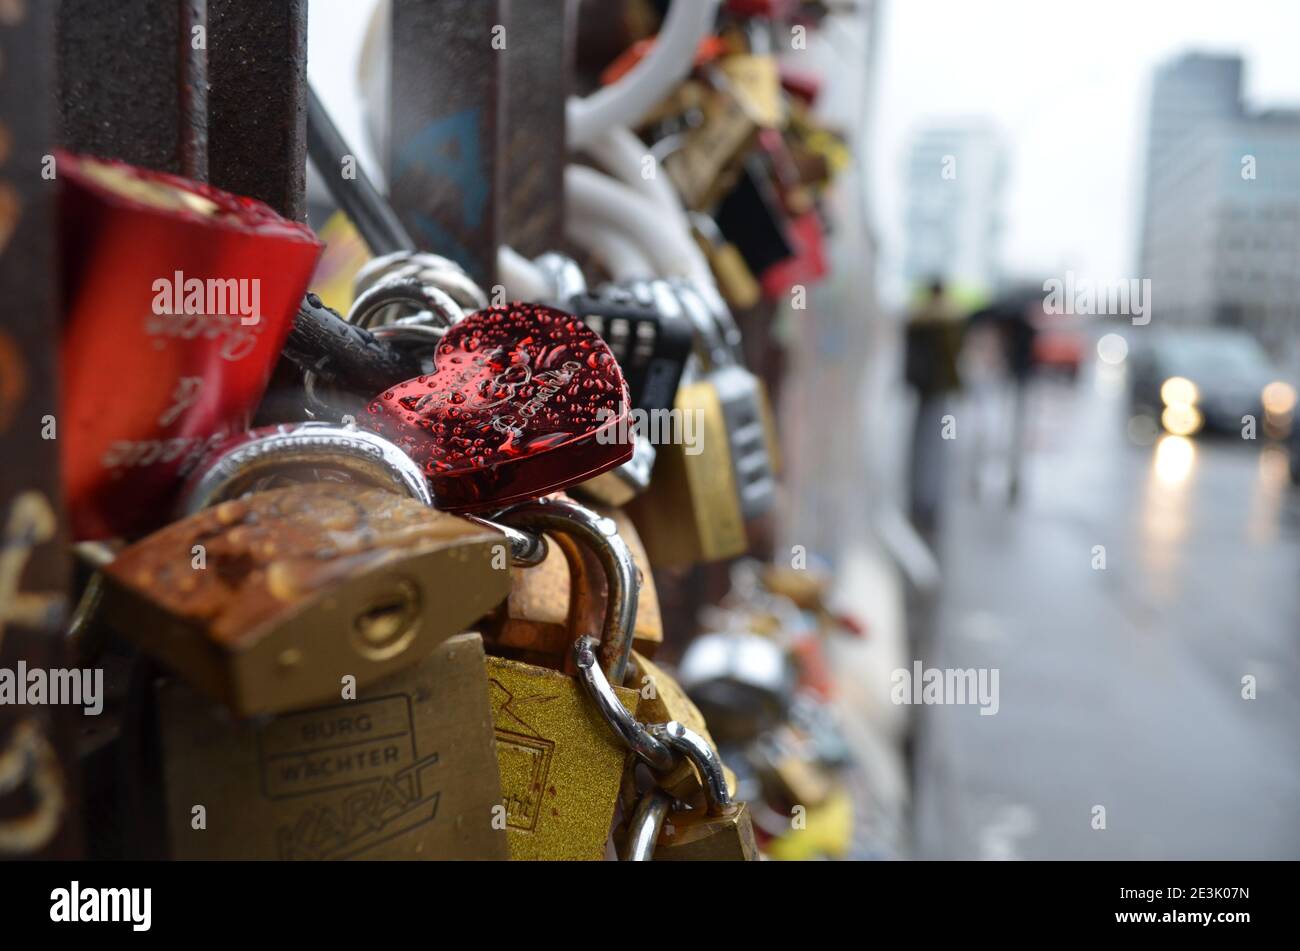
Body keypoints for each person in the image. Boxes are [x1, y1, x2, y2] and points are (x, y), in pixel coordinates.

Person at [903, 279, 966, 534]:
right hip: (937, 390)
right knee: (935, 446)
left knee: (921, 444)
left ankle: (919, 495)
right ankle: (928, 497)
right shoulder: (948, 320)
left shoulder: (918, 317)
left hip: (923, 389)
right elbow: (953, 355)